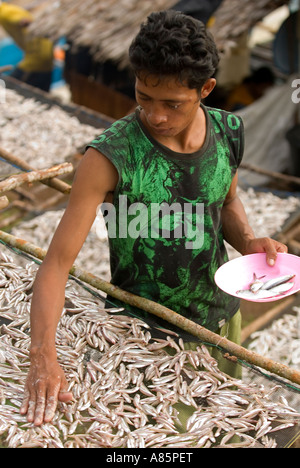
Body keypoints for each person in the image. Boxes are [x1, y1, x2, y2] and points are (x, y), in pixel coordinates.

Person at [20, 10, 287, 426]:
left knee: (219, 426)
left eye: (172, 104)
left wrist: (250, 243)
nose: (155, 115)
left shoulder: (229, 130)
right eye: (144, 97)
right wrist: (43, 356)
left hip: (221, 317)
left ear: (206, 89)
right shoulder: (110, 155)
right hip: (143, 335)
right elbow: (55, 265)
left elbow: (228, 202)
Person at [0, 2, 53, 92]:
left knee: (10, 89)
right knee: (40, 93)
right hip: (45, 58)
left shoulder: (5, 13)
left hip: (36, 59)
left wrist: (26, 23)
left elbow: (23, 21)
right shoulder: (10, 9)